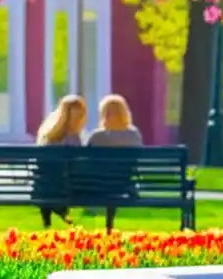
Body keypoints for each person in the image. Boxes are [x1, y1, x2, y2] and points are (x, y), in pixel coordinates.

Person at [85, 94, 143, 232]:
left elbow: (85, 159)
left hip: (100, 185)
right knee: (118, 177)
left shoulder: (97, 136)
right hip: (123, 185)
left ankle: (109, 225)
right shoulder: (133, 135)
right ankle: (109, 223)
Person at [35, 95, 87, 227]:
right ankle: (61, 209)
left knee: (51, 176)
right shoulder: (73, 137)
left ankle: (49, 216)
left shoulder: (46, 133)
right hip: (66, 188)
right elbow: (79, 164)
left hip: (42, 188)